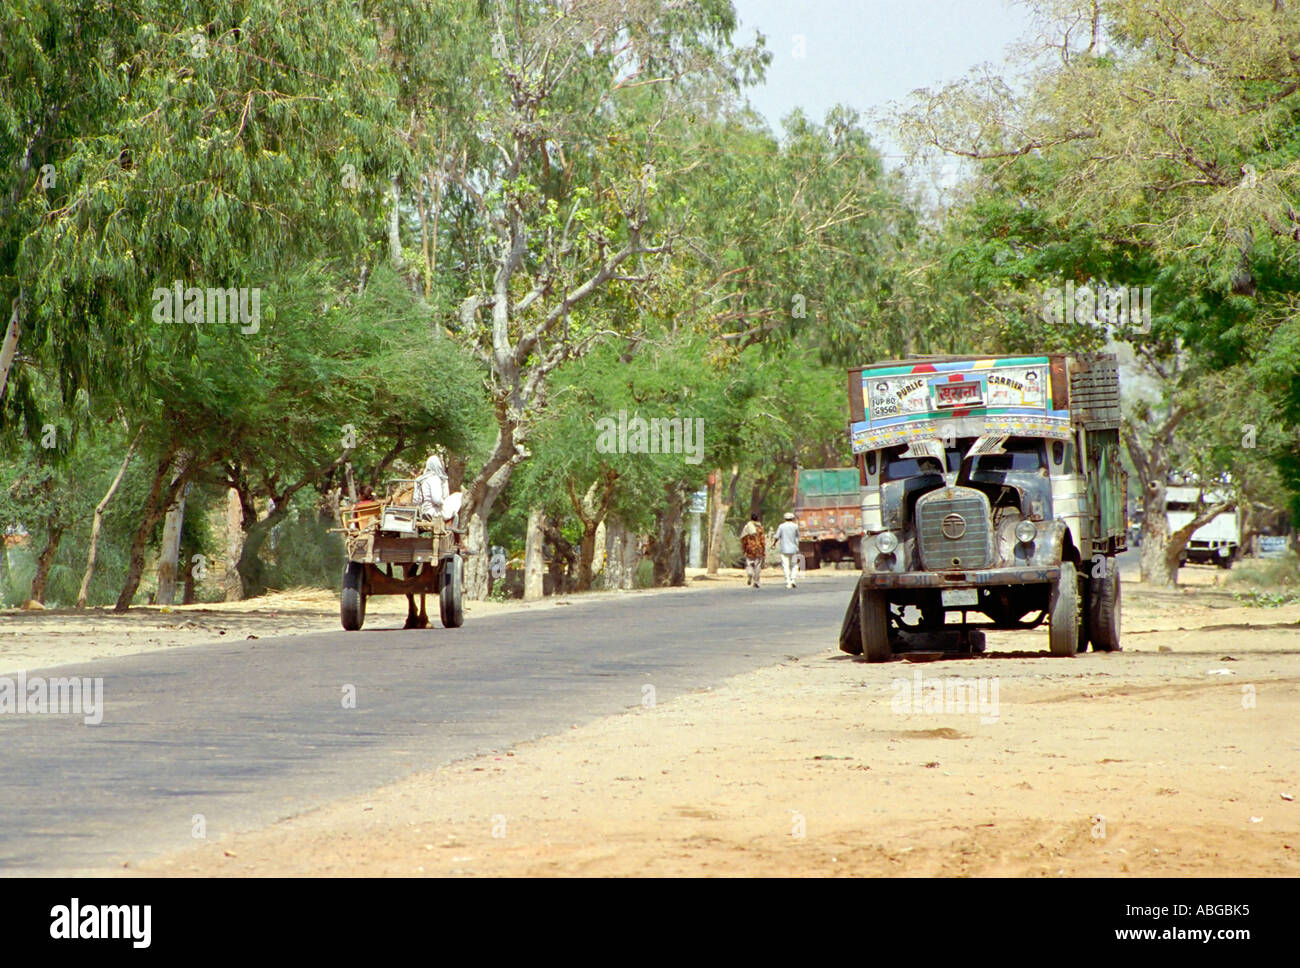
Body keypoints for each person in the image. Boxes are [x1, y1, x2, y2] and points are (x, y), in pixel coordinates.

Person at [773, 511, 801, 588]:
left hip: (784, 549)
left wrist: (774, 544)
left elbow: (777, 536)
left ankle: (788, 582)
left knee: (786, 566)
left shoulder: (781, 526)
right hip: (794, 549)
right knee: (794, 565)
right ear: (792, 518)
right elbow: (798, 536)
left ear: (785, 518)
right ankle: (793, 580)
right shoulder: (795, 526)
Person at [739, 513, 766, 589]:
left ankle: (750, 574)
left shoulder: (747, 527)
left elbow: (743, 539)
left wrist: (744, 549)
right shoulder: (760, 528)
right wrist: (763, 550)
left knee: (749, 564)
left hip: (749, 549)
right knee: (757, 566)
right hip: (758, 549)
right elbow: (763, 540)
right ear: (757, 519)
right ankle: (756, 582)